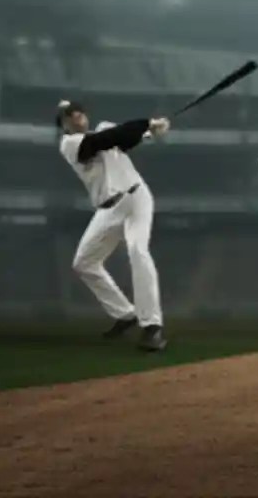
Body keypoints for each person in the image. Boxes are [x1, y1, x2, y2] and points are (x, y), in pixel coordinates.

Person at [55, 99, 171, 352]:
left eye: (79, 112)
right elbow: (106, 140)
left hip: (135, 198)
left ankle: (152, 326)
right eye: (69, 116)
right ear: (63, 124)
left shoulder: (106, 129)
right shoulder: (70, 144)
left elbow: (126, 139)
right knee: (83, 263)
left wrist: (151, 130)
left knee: (137, 250)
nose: (76, 117)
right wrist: (147, 124)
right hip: (107, 210)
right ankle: (125, 314)